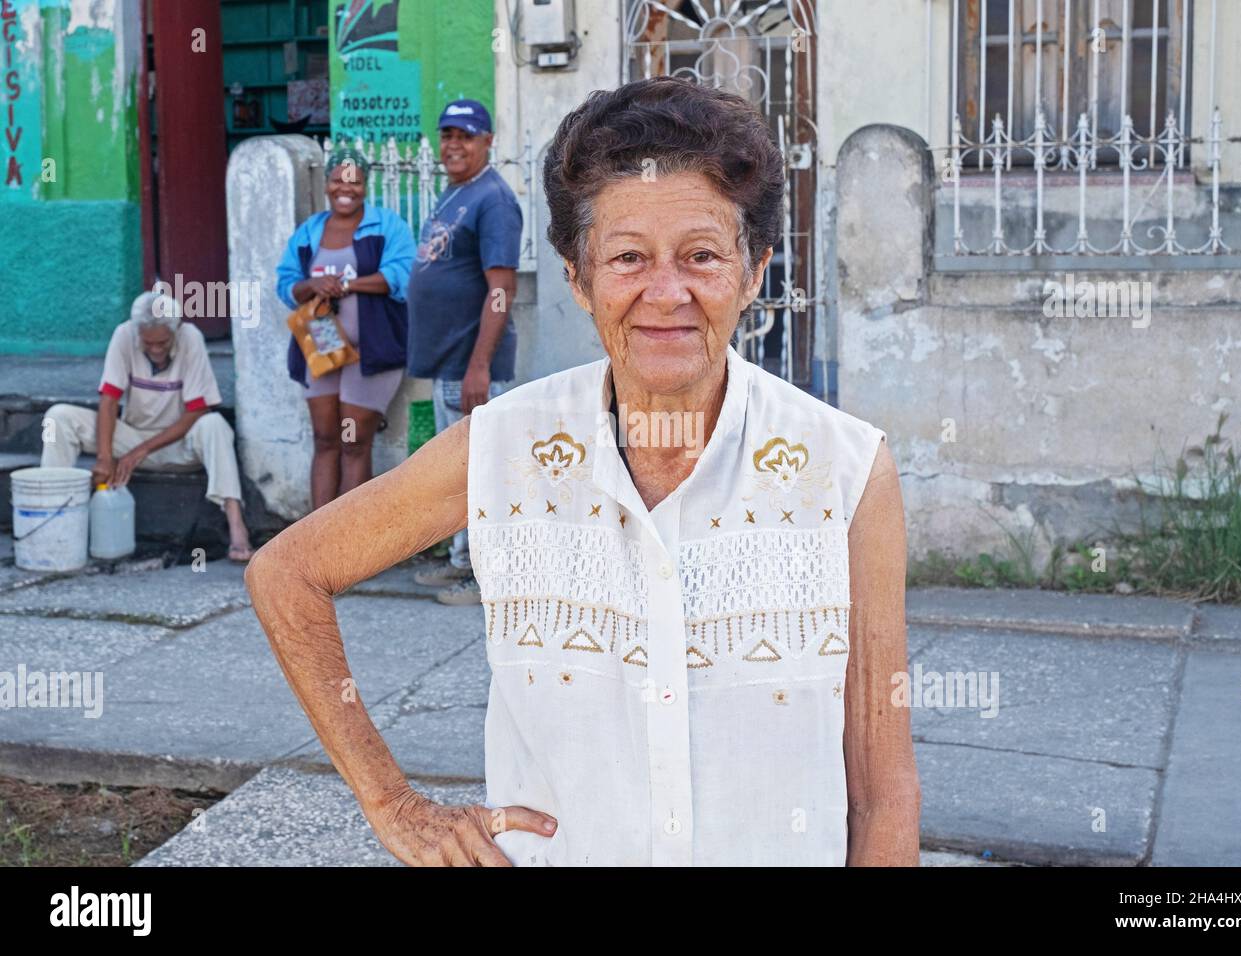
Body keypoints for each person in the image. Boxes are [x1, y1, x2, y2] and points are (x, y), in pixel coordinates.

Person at [245, 76, 917, 866]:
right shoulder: (502, 450)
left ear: (754, 270)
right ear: (579, 279)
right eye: (629, 257)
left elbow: (880, 790)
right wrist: (394, 806)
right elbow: (287, 573)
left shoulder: (844, 470)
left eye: (702, 255)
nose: (667, 294)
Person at [404, 99, 524, 603]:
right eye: (447, 133)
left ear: (487, 141)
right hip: (450, 362)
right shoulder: (457, 192)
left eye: (466, 135)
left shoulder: (494, 199)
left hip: (471, 364)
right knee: (461, 471)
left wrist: (479, 366)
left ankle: (487, 578)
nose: (454, 144)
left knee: (483, 471)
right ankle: (461, 562)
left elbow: (501, 288)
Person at [41, 291, 254, 561]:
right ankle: (49, 512)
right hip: (130, 438)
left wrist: (139, 452)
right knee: (58, 416)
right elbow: (108, 400)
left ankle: (237, 526)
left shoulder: (191, 337)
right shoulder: (124, 334)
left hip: (178, 445)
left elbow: (198, 409)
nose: (155, 349)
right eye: (148, 342)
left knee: (215, 424)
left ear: (175, 331)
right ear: (137, 331)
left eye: (162, 342)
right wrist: (105, 458)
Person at [275, 147, 416, 510]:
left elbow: (401, 276)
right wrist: (312, 287)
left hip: (372, 354)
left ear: (366, 186)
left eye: (355, 181)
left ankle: (347, 547)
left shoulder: (387, 226)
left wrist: (348, 285)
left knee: (354, 443)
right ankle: (315, 538)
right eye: (338, 178)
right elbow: (286, 284)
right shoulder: (309, 232)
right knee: (325, 440)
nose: (346, 188)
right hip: (320, 350)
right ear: (326, 184)